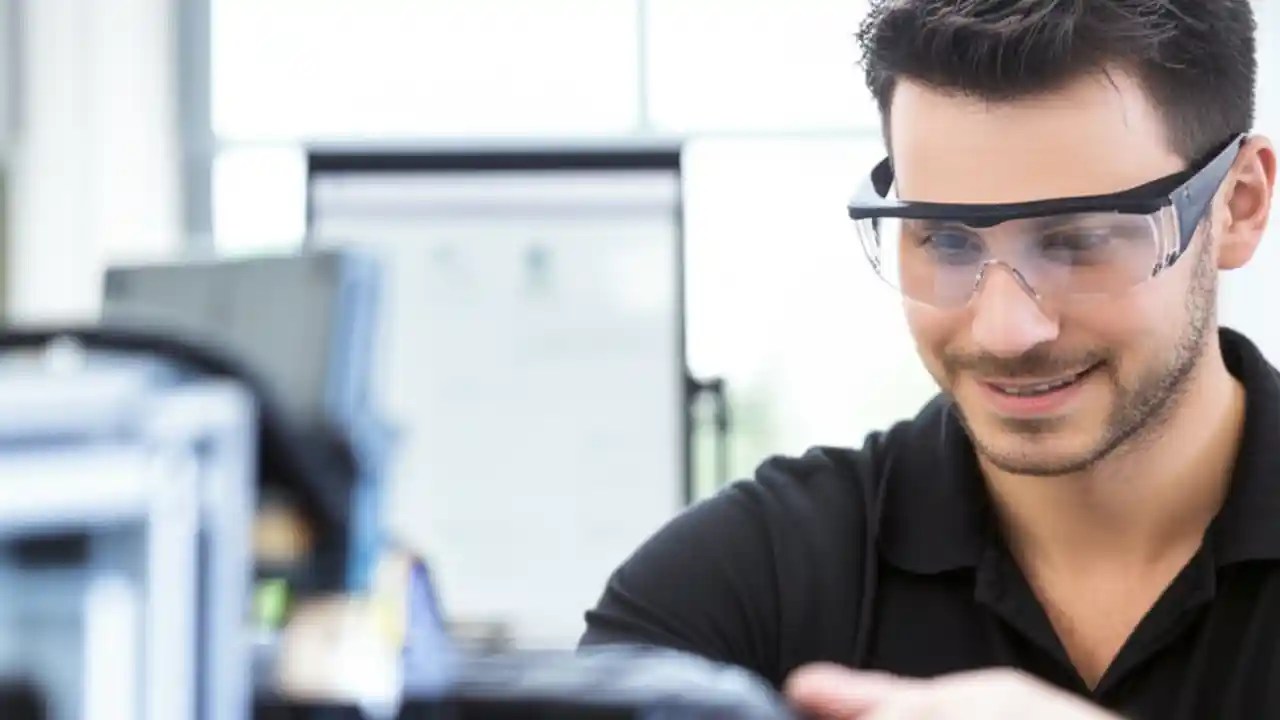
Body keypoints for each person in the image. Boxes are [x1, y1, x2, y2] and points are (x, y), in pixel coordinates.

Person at [580, 1, 1280, 718]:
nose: (1006, 331)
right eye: (945, 241)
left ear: (1240, 205)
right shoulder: (742, 582)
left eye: (1081, 241)